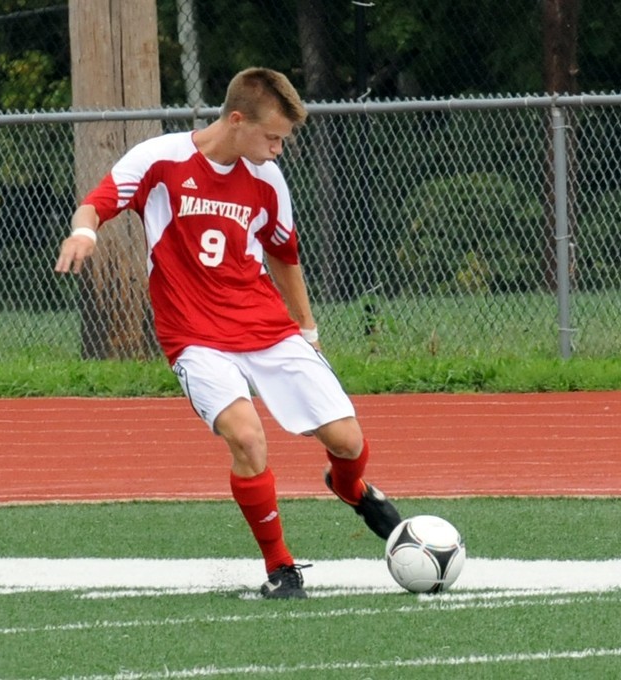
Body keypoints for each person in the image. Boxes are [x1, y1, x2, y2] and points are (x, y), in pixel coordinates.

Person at [54, 67, 401, 599]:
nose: (278, 150)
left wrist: (307, 329)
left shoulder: (266, 179)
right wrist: (83, 232)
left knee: (348, 441)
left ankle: (350, 486)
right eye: (272, 137)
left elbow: (285, 253)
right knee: (246, 436)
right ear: (236, 120)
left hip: (265, 326)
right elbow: (99, 200)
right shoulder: (160, 159)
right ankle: (281, 567)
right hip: (194, 336)